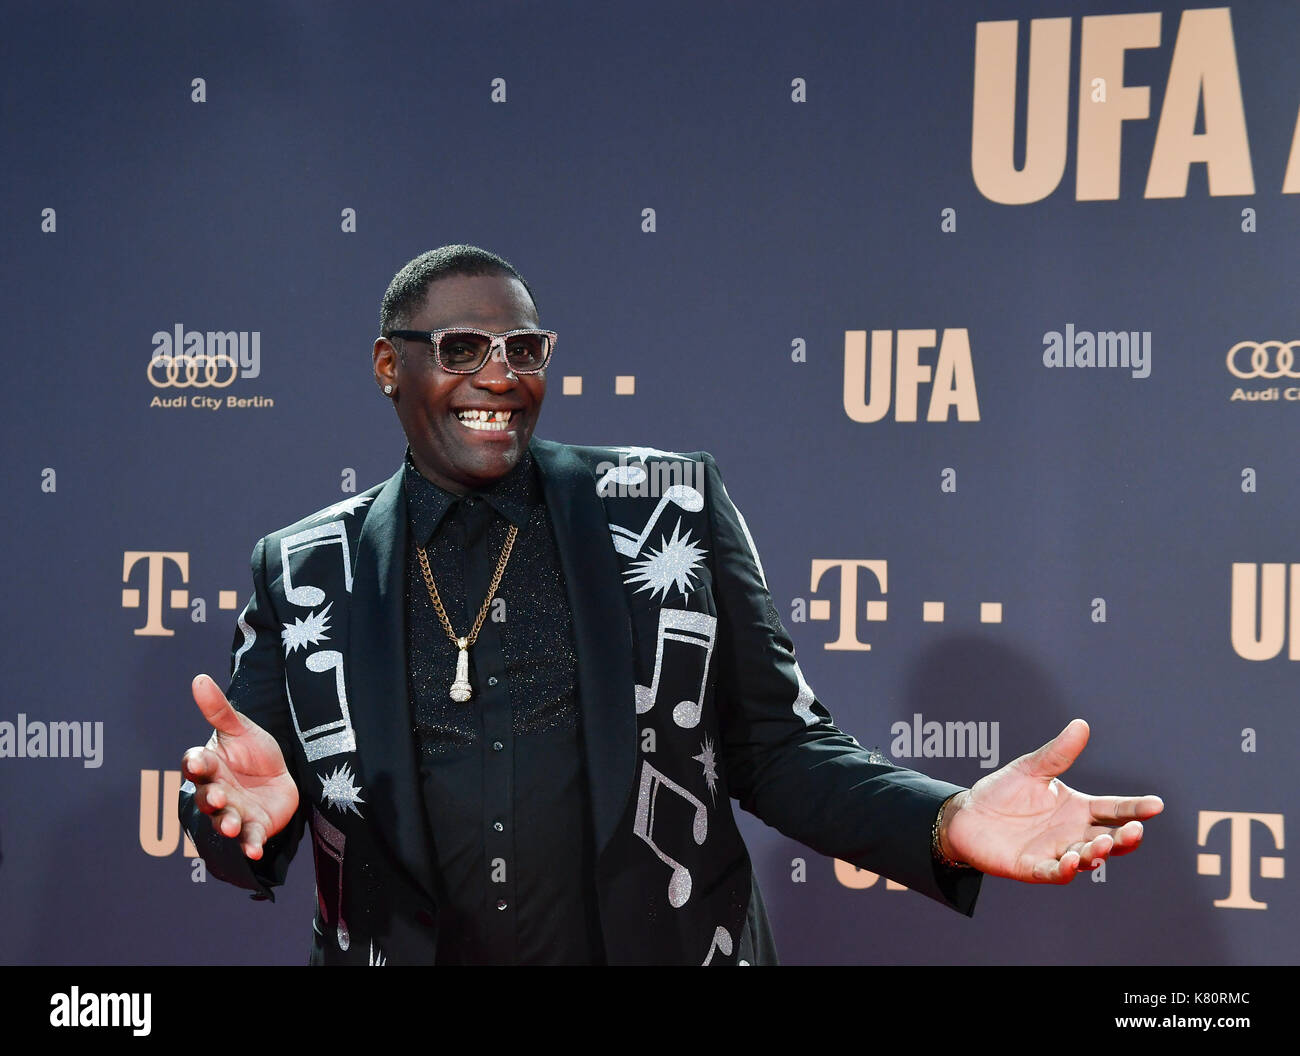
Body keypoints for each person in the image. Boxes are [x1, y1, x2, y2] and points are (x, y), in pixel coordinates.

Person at [179, 245, 1163, 965]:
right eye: (463, 345)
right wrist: (238, 818)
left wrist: (945, 821)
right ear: (391, 365)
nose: (500, 375)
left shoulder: (666, 510)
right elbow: (242, 821)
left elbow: (779, 751)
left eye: (525, 346)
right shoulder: (305, 567)